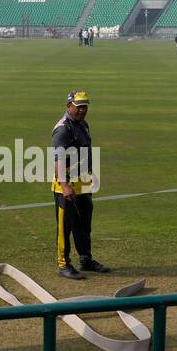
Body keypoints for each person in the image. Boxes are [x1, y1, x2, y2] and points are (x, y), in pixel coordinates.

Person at [53, 91, 108, 279]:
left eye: (85, 106)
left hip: (83, 181)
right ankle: (63, 264)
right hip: (66, 184)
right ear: (69, 106)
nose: (83, 110)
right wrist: (64, 185)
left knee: (84, 224)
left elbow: (85, 152)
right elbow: (58, 158)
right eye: (79, 107)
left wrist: (91, 174)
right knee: (65, 225)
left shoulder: (83, 125)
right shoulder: (63, 129)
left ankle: (86, 260)